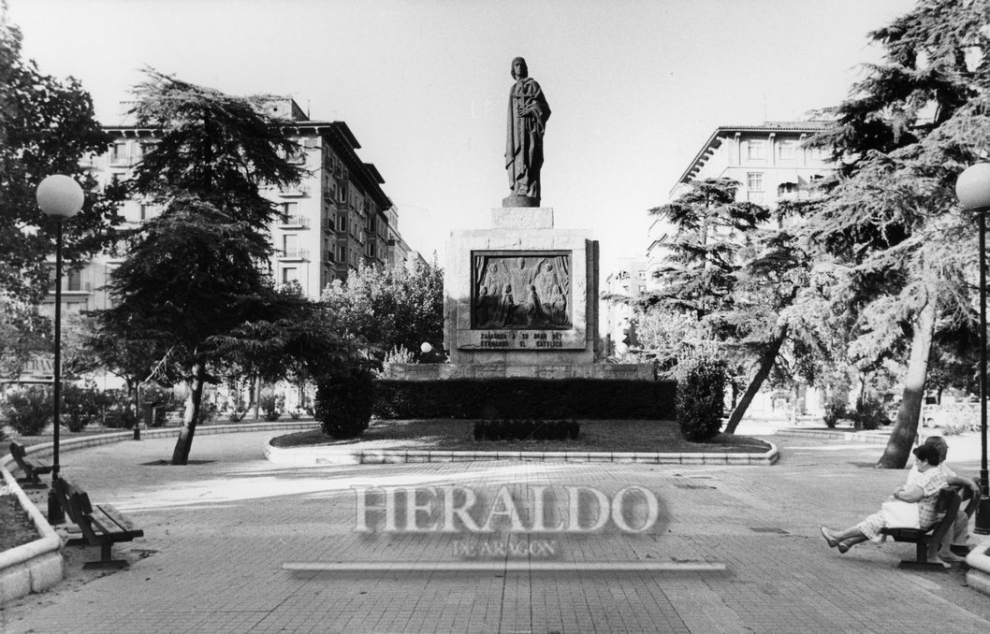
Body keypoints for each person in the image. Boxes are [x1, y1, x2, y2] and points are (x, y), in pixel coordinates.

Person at [820, 444, 949, 563]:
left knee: (877, 520)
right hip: (923, 515)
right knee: (879, 519)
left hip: (918, 519)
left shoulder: (929, 476)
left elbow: (910, 496)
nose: (915, 464)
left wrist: (897, 493)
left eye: (917, 461)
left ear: (925, 461)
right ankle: (848, 542)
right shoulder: (936, 474)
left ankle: (838, 537)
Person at [913, 436, 981, 561]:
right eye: (944, 447)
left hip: (933, 507)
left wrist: (969, 483)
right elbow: (947, 479)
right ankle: (940, 550)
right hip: (922, 511)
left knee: (958, 514)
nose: (946, 450)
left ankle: (950, 547)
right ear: (937, 449)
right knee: (948, 513)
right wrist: (967, 482)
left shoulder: (939, 465)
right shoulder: (924, 466)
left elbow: (953, 477)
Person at [505, 57, 550, 205]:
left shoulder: (533, 85)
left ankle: (527, 189)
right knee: (517, 156)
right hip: (516, 133)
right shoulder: (513, 89)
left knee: (530, 158)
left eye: (521, 65)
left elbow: (545, 109)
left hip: (529, 131)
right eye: (516, 65)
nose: (519, 67)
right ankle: (517, 189)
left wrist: (531, 109)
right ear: (513, 69)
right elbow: (510, 116)